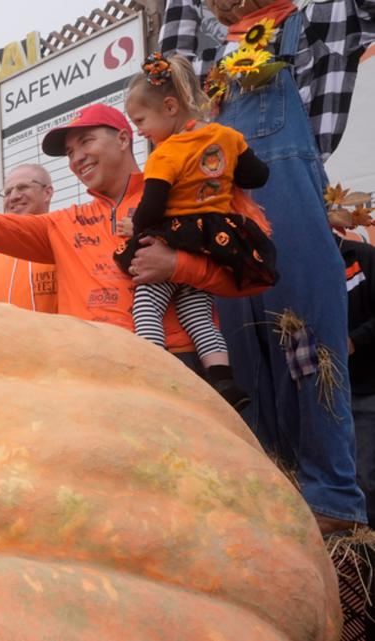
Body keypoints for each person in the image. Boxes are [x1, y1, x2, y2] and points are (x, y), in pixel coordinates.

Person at [162, 0, 373, 532]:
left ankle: (331, 496)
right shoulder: (206, 52)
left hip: (288, 186)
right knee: (243, 345)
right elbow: (171, 52)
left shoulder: (319, 25)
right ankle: (271, 491)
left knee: (306, 338)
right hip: (221, 202)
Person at [0, 102, 270, 372]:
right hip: (88, 372)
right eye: (70, 152)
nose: (76, 158)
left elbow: (254, 277)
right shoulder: (63, 223)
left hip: (175, 365)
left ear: (123, 138)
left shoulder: (183, 197)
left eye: (86, 142)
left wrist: (178, 265)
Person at [114, 53, 276, 409]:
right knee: (198, 313)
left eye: (140, 120)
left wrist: (134, 227)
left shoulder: (166, 153)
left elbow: (154, 205)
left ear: (169, 106)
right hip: (215, 241)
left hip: (174, 236)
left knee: (146, 307)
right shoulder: (227, 136)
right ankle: (223, 381)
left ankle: (157, 374)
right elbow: (257, 176)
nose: (140, 130)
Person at [0, 164, 58, 313]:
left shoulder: (67, 242)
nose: (14, 197)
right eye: (7, 192)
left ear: (47, 193)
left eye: (23, 187)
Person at [339, 236, 375, 526]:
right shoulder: (301, 269)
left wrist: (355, 340)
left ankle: (367, 544)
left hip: (367, 385)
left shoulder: (364, 257)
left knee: (364, 475)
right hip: (330, 391)